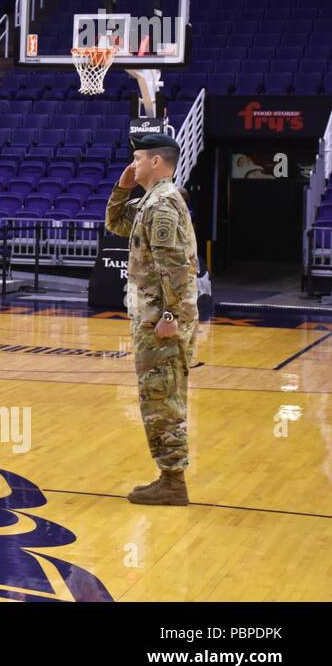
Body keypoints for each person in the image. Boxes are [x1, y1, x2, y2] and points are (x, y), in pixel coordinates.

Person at [105, 132, 198, 507]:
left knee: (163, 398)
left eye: (139, 159)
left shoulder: (162, 206)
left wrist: (171, 315)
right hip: (153, 317)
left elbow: (175, 268)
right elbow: (115, 224)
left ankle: (173, 481)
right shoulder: (150, 201)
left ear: (157, 162)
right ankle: (168, 475)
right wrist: (122, 187)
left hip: (162, 320)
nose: (134, 164)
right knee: (157, 396)